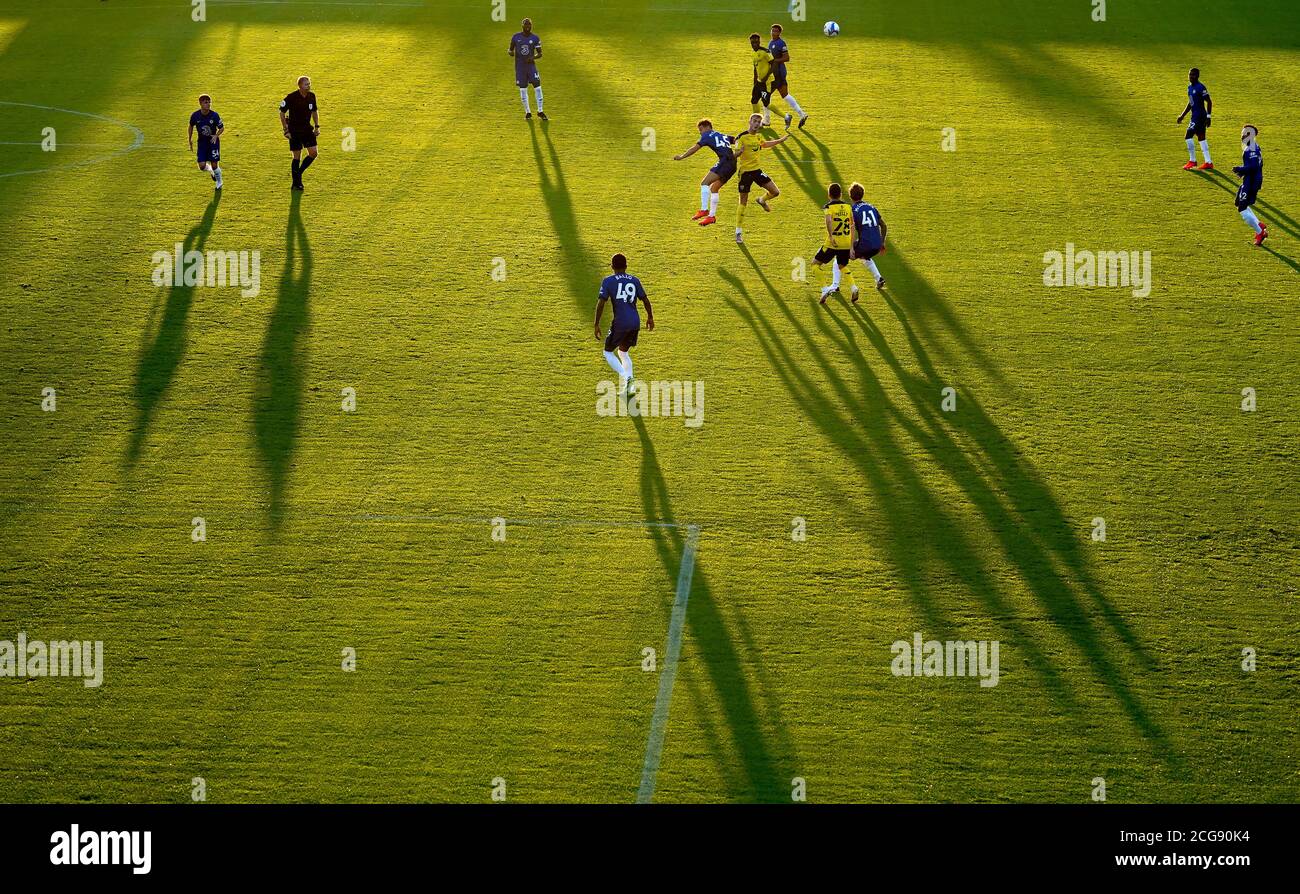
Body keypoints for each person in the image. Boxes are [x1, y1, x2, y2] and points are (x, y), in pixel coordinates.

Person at [594, 253, 654, 396]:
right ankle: (630, 388)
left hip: (621, 322)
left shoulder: (608, 281)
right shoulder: (634, 280)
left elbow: (601, 302)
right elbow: (645, 300)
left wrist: (596, 323)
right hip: (635, 322)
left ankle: (627, 378)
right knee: (622, 352)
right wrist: (650, 317)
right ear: (626, 266)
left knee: (608, 352)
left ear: (612, 266)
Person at [732, 113, 790, 244]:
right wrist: (739, 153)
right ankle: (738, 232)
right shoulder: (741, 137)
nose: (757, 123)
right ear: (750, 121)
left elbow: (764, 144)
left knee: (775, 192)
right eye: (755, 121)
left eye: (759, 121)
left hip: (757, 171)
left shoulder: (758, 136)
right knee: (743, 202)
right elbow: (733, 155)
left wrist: (780, 140)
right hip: (745, 173)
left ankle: (762, 200)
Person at [673, 119, 736, 226]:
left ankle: (704, 210)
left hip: (725, 162)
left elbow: (694, 148)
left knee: (704, 183)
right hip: (733, 164)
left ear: (706, 126)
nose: (700, 132)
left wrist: (682, 157)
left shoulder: (706, 135)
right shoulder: (723, 135)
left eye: (700, 130)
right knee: (714, 188)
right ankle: (711, 217)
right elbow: (737, 140)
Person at [812, 182, 857, 303]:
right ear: (841, 194)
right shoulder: (848, 207)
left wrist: (831, 237)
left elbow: (828, 221)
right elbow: (853, 225)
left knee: (815, 264)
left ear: (829, 195)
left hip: (833, 243)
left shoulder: (828, 207)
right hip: (846, 243)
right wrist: (851, 246)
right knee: (842, 265)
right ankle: (853, 287)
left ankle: (824, 288)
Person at [279, 76, 320, 191]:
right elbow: (282, 113)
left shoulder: (312, 96)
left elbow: (314, 111)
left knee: (313, 153)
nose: (309, 86)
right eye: (306, 84)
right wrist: (286, 130)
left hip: (307, 129)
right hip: (294, 131)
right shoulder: (291, 97)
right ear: (300, 85)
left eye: (309, 84)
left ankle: (299, 173)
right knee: (296, 157)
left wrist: (317, 126)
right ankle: (296, 183)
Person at [1233, 124, 1268, 246]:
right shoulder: (1253, 147)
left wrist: (1240, 169)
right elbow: (1259, 164)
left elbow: (1253, 167)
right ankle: (1259, 225)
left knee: (1242, 208)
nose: (1242, 136)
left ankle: (1260, 232)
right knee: (1238, 202)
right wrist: (1242, 173)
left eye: (1245, 134)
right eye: (1242, 133)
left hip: (1252, 181)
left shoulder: (1251, 149)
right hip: (1250, 179)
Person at [849, 183, 888, 293]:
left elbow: (851, 230)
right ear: (862, 194)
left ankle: (835, 285)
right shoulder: (872, 207)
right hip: (877, 245)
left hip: (865, 244)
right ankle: (879, 278)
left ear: (850, 196)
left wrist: (851, 247)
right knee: (864, 256)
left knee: (840, 256)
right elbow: (884, 225)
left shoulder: (853, 210)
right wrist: (883, 242)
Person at [767, 23, 808, 129]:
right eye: (772, 30)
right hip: (774, 74)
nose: (773, 32)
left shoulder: (781, 43)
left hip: (779, 74)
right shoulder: (771, 43)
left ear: (779, 33)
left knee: (765, 96)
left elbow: (787, 58)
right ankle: (802, 114)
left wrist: (775, 61)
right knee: (784, 95)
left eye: (776, 31)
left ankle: (768, 120)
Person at [510, 18, 546, 120]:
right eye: (526, 25)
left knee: (538, 87)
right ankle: (528, 112)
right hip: (520, 67)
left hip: (531, 66)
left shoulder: (535, 38)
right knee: (523, 90)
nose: (528, 27)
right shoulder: (515, 37)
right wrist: (510, 53)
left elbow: (540, 53)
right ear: (522, 26)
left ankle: (540, 111)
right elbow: (510, 50)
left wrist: (533, 57)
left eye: (529, 25)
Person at [1177, 68, 1213, 171]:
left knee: (1188, 136)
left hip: (1200, 117)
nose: (1190, 76)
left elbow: (1209, 102)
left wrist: (1208, 117)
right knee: (1201, 138)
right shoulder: (1189, 87)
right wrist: (1182, 115)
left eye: (1193, 75)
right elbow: (1190, 103)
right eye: (1189, 74)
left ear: (1197, 76)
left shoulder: (1200, 87)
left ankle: (1192, 161)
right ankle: (1208, 162)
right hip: (1195, 116)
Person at [188, 94, 223, 190]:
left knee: (215, 164)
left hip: (213, 142)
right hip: (202, 143)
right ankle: (211, 170)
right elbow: (191, 126)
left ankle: (219, 182)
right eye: (206, 102)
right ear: (200, 103)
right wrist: (189, 139)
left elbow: (222, 128)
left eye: (209, 102)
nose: (208, 104)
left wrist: (216, 135)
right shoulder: (195, 115)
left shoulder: (214, 115)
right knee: (202, 166)